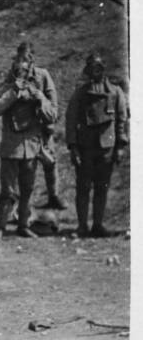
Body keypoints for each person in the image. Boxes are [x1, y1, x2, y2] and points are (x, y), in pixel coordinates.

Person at [0, 53, 57, 240]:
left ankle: (23, 225)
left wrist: (40, 97)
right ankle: (0, 227)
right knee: (7, 191)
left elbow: (52, 116)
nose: (22, 73)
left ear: (31, 70)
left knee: (27, 189)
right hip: (11, 148)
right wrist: (13, 92)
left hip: (31, 148)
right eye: (18, 70)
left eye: (25, 70)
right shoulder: (8, 87)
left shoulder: (37, 88)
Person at [65, 53, 129, 238]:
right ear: (88, 70)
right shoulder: (81, 93)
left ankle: (98, 225)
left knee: (102, 187)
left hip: (106, 148)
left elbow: (121, 120)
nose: (96, 71)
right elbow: (71, 120)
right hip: (85, 148)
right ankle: (82, 226)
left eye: (99, 68)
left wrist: (120, 146)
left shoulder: (115, 92)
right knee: (83, 187)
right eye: (92, 68)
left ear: (104, 69)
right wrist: (73, 146)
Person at [12, 42, 67, 211]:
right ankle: (18, 203)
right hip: (23, 129)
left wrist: (50, 122)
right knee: (23, 167)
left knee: (50, 163)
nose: (24, 60)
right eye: (21, 56)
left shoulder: (42, 75)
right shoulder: (13, 75)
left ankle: (53, 196)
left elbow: (53, 102)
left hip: (42, 127)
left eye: (27, 57)